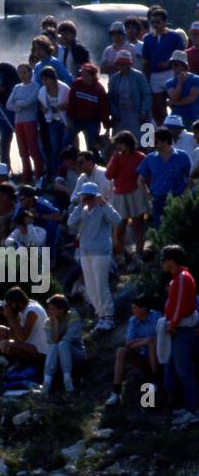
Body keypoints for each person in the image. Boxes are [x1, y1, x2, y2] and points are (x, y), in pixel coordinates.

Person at [67, 183, 122, 332]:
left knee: (100, 286)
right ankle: (100, 316)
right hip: (85, 253)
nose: (88, 200)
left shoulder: (103, 209)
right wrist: (79, 205)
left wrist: (104, 203)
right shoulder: (82, 210)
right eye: (86, 197)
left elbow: (117, 219)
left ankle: (108, 316)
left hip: (101, 252)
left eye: (91, 197)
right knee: (90, 287)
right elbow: (70, 223)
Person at [160, 244, 198, 426]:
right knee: (180, 370)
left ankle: (193, 410)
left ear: (171, 260)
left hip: (181, 330)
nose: (162, 263)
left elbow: (181, 305)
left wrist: (173, 324)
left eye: (164, 259)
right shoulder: (177, 278)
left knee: (185, 371)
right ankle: (188, 407)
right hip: (178, 329)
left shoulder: (182, 278)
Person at [105, 131, 149, 268]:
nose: (118, 147)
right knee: (119, 228)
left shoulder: (140, 157)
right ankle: (120, 256)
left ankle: (139, 254)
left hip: (136, 193)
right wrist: (114, 158)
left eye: (121, 144)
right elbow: (108, 174)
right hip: (120, 194)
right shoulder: (117, 157)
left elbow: (147, 175)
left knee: (138, 225)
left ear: (128, 143)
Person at [107, 297, 160, 405]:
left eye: (134, 308)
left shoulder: (156, 317)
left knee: (152, 343)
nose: (132, 311)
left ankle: (154, 381)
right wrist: (143, 341)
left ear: (143, 309)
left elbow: (159, 338)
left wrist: (142, 341)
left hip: (159, 357)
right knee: (121, 352)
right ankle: (116, 392)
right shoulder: (133, 321)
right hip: (143, 357)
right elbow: (128, 343)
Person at [137, 127, 191, 225]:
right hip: (158, 200)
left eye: (156, 142)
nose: (154, 145)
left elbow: (191, 177)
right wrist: (148, 196)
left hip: (178, 198)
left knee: (179, 229)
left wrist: (185, 194)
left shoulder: (183, 156)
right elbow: (140, 180)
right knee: (160, 231)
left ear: (165, 141)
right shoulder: (150, 158)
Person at [143, 8, 187, 124]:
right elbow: (146, 59)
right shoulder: (148, 38)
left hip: (170, 73)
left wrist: (168, 63)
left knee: (175, 103)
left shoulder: (174, 36)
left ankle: (178, 127)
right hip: (155, 76)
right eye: (152, 22)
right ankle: (163, 132)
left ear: (164, 21)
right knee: (158, 108)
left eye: (158, 22)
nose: (155, 25)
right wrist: (146, 78)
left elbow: (181, 55)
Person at [0, 286, 49, 368]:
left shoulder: (32, 311)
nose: (11, 307)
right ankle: (15, 362)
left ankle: (22, 365)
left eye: (11, 304)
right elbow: (16, 331)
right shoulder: (23, 308)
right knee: (0, 330)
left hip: (39, 351)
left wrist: (10, 317)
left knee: (8, 345)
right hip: (29, 344)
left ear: (17, 302)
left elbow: (23, 337)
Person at [41, 294, 85, 393]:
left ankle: (67, 380)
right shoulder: (48, 322)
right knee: (54, 346)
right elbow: (52, 341)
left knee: (63, 344)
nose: (49, 312)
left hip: (76, 352)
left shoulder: (73, 316)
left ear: (61, 310)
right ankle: (46, 382)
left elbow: (69, 338)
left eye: (52, 309)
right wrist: (56, 323)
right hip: (57, 356)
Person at [7, 63, 43, 183]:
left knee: (33, 150)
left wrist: (18, 103)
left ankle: (38, 176)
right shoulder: (17, 87)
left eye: (24, 72)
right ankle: (26, 178)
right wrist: (19, 106)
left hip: (30, 120)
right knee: (22, 151)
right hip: (19, 121)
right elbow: (9, 104)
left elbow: (29, 102)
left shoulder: (35, 86)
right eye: (20, 72)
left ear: (30, 72)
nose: (22, 75)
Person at [36, 66, 71, 183]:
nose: (44, 82)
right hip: (52, 122)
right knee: (55, 148)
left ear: (52, 78)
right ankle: (55, 174)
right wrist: (44, 109)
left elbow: (71, 104)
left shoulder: (64, 88)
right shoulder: (42, 90)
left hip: (65, 121)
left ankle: (67, 172)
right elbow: (41, 103)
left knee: (66, 146)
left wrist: (60, 107)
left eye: (46, 79)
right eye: (43, 80)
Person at [66, 63, 110, 153]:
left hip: (92, 121)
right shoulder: (77, 84)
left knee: (92, 146)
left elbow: (104, 110)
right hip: (76, 120)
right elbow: (71, 103)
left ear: (93, 76)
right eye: (82, 75)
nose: (83, 78)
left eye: (86, 76)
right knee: (66, 140)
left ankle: (93, 162)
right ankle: (72, 160)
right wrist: (70, 119)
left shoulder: (99, 89)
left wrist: (107, 126)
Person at [108, 50, 152, 141]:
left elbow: (146, 95)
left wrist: (144, 111)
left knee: (145, 143)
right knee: (121, 143)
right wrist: (114, 112)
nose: (121, 67)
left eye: (124, 64)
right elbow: (110, 98)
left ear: (129, 64)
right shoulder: (114, 78)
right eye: (119, 64)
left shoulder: (139, 76)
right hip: (121, 115)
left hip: (138, 114)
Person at [163, 51, 199, 127]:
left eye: (176, 65)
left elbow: (190, 100)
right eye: (172, 65)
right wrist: (180, 83)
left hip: (194, 118)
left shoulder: (196, 80)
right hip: (177, 119)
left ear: (184, 66)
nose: (173, 68)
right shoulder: (169, 82)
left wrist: (174, 103)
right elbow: (174, 97)